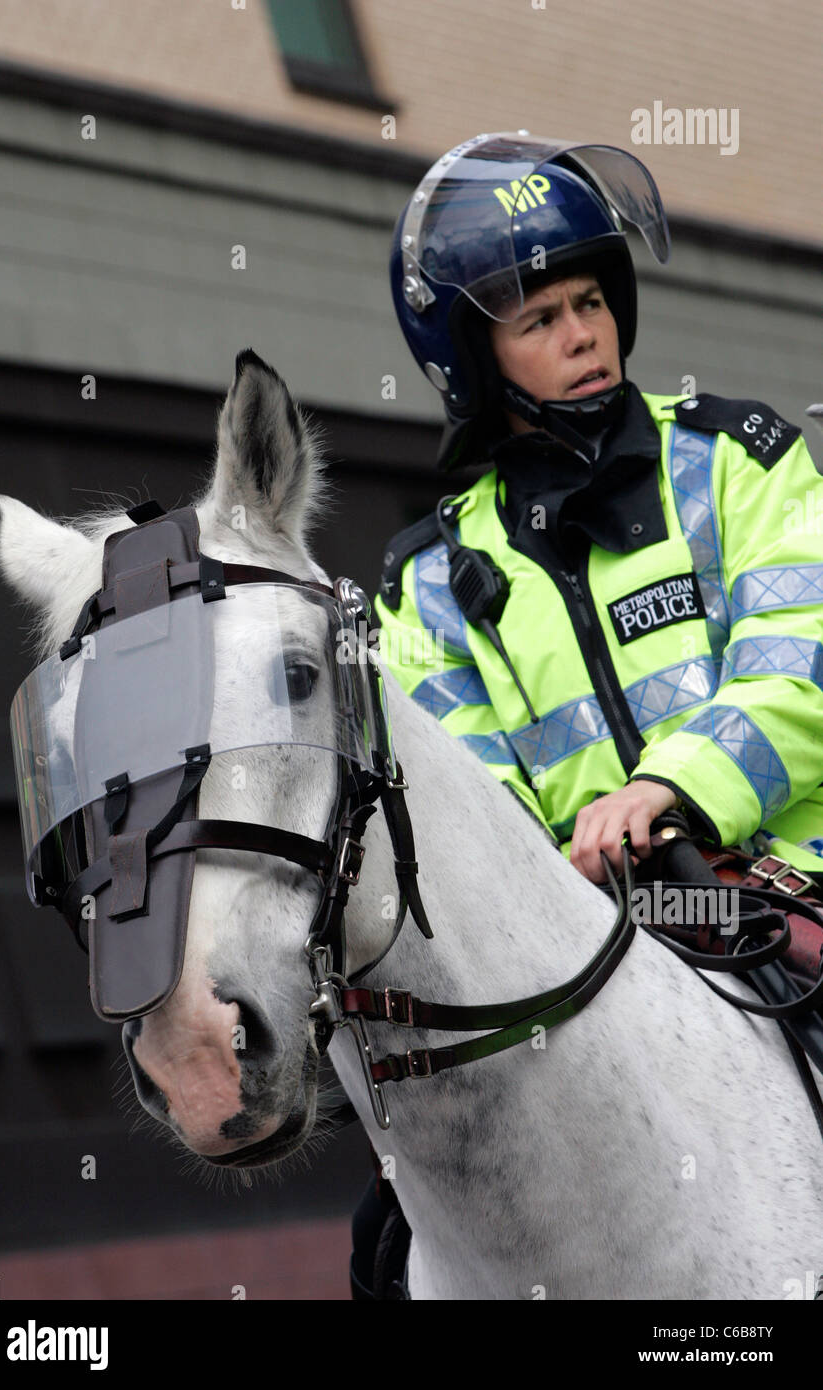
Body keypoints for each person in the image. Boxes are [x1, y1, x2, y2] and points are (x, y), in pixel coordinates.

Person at [349, 132, 823, 1299]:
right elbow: (461, 801)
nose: (581, 334)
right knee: (386, 1236)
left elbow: (798, 662)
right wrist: (551, 873)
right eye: (539, 318)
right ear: (473, 354)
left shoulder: (736, 462)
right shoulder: (423, 585)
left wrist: (665, 790)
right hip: (584, 946)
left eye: (588, 301)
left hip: (794, 888)